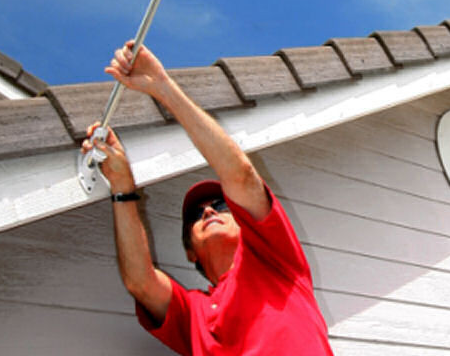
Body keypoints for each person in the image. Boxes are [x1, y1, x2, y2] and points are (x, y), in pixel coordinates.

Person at [81, 40, 334, 356]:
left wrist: (163, 87)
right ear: (190, 253)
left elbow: (239, 174)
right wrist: (121, 184)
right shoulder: (192, 313)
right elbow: (140, 283)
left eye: (220, 205)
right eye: (195, 216)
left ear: (246, 227)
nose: (208, 212)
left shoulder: (275, 260)